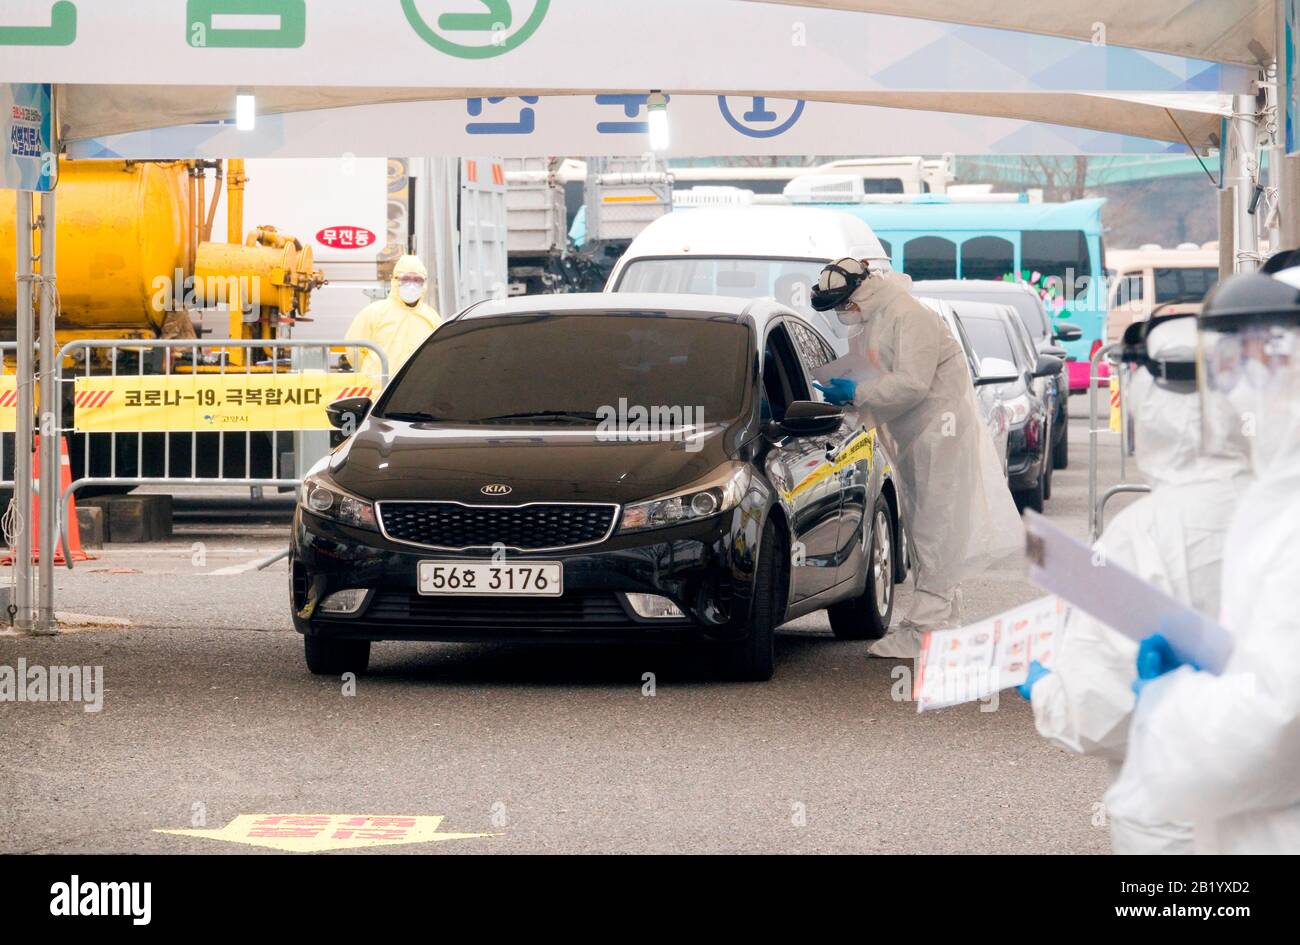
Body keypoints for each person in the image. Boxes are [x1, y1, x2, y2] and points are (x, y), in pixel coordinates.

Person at [1019, 314, 1252, 854]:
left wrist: (1048, 690)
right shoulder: (1277, 508)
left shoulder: (1141, 534)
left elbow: (1097, 710)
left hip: (1173, 821)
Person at [1104, 265, 1300, 854]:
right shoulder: (1273, 497)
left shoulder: (1284, 512)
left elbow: (1276, 718)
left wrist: (1167, 704)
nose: (1241, 391)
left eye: (1264, 362)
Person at [811, 258, 1022, 657]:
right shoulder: (877, 320)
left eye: (844, 304)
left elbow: (911, 384)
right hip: (916, 439)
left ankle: (927, 630)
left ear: (863, 292)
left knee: (935, 530)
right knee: (927, 528)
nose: (843, 313)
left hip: (936, 437)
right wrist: (852, 391)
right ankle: (940, 624)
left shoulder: (910, 317)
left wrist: (855, 393)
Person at [344, 254, 442, 379]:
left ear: (424, 283)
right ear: (395, 280)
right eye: (406, 279)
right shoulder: (374, 312)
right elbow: (354, 350)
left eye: (417, 280)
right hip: (378, 392)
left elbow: (439, 355)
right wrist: (371, 376)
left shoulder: (432, 318)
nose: (411, 285)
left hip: (417, 389)